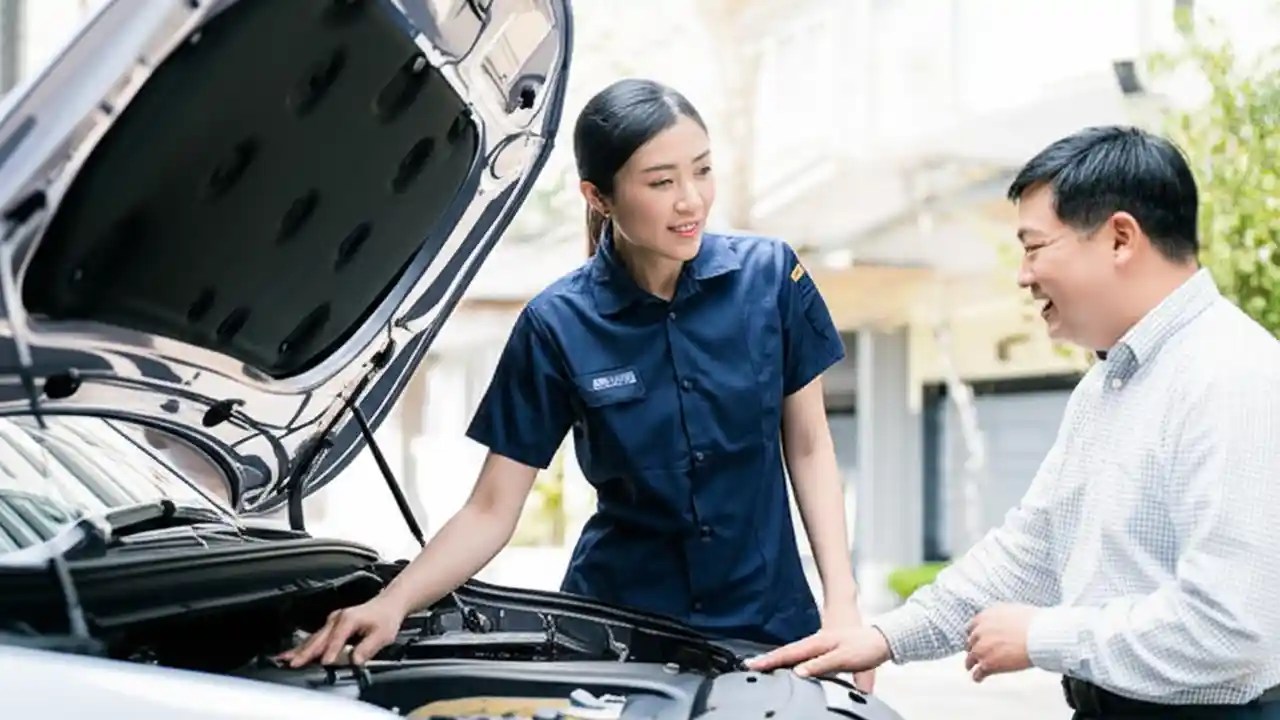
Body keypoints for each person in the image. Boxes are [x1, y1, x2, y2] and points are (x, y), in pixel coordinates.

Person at [281, 78, 872, 688]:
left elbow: (809, 447)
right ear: (599, 196)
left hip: (771, 628)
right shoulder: (556, 324)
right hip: (619, 639)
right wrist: (392, 603)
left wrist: (843, 607)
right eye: (661, 182)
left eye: (702, 171)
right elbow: (491, 509)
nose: (691, 200)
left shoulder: (770, 278)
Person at [747, 125, 1280, 719]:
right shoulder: (1108, 385)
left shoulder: (1232, 377)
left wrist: (1043, 636)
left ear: (1120, 238)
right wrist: (886, 637)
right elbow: (1031, 550)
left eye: (1034, 247)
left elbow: (1233, 625)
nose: (1024, 276)